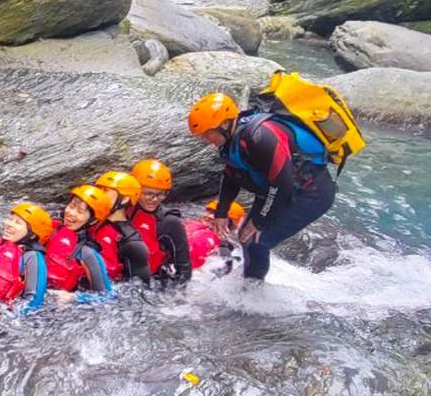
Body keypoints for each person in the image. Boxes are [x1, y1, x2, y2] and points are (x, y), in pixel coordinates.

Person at [188, 92, 337, 281]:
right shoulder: (230, 142)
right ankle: (249, 286)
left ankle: (254, 295)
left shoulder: (260, 137)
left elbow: (282, 183)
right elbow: (231, 175)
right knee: (245, 237)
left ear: (225, 124)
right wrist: (221, 212)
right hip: (277, 191)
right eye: (202, 136)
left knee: (258, 241)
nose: (205, 140)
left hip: (311, 194)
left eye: (208, 134)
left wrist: (260, 221)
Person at [128, 159, 194, 284]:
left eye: (161, 194)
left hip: (152, 283)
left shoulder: (169, 222)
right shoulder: (122, 211)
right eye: (148, 193)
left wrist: (176, 295)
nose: (154, 199)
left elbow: (184, 268)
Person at [0, 203, 52, 310]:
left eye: (18, 223)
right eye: (11, 219)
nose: (9, 224)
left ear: (33, 235)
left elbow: (34, 302)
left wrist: (0, 314)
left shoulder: (32, 257)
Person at [45, 185, 114, 293]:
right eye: (71, 206)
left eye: (80, 211)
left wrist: (74, 298)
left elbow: (105, 295)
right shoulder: (50, 228)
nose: (71, 213)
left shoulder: (87, 252)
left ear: (92, 220)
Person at [92, 171, 151, 285]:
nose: (98, 194)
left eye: (105, 190)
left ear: (124, 199)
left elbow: (139, 290)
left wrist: (77, 297)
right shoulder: (91, 221)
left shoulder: (131, 242)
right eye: (98, 189)